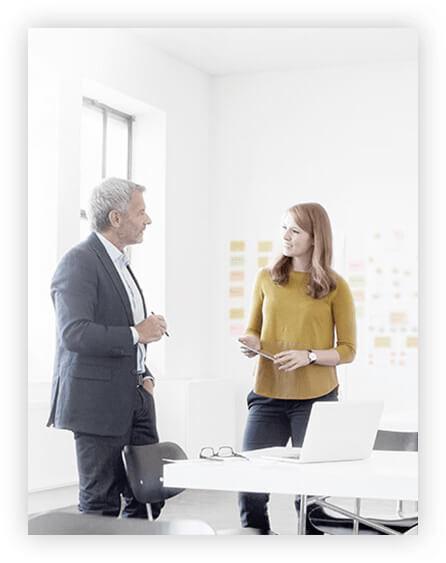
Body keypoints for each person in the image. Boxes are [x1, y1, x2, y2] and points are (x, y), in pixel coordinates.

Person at [47, 177, 168, 518]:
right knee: (101, 503)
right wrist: (136, 332)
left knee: (147, 496)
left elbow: (127, 329)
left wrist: (145, 377)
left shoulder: (121, 263)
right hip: (96, 406)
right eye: (141, 211)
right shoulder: (78, 262)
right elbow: (74, 333)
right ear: (116, 218)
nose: (148, 219)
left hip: (136, 398)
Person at [238, 202, 356, 533]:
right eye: (283, 227)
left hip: (316, 400)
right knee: (250, 488)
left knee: (310, 494)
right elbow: (253, 330)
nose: (285, 236)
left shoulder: (336, 286)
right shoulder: (265, 278)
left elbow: (348, 351)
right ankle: (257, 542)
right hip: (266, 396)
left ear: (315, 238)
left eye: (295, 230)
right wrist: (250, 344)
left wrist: (311, 356)